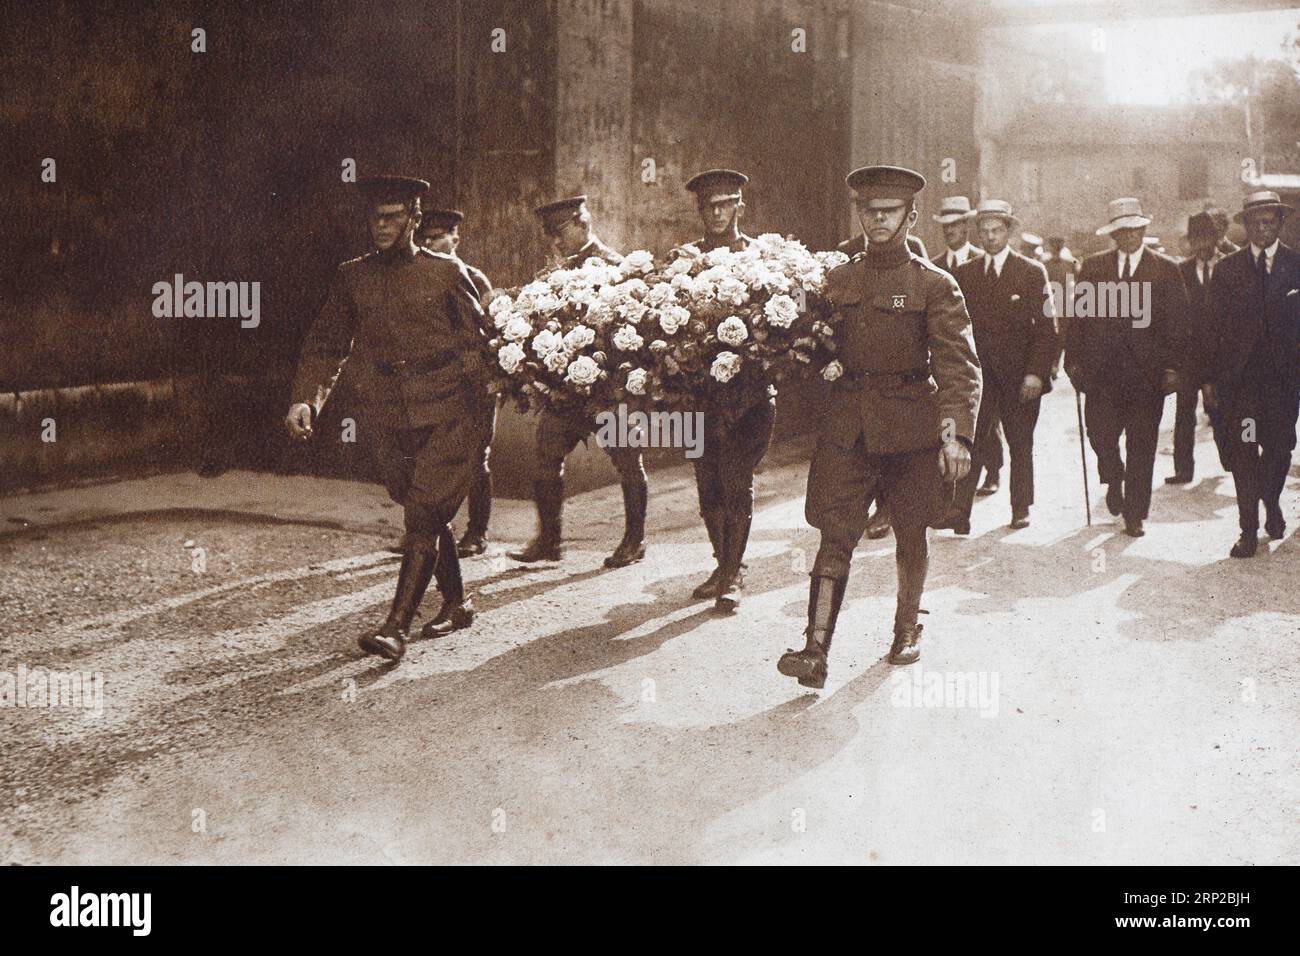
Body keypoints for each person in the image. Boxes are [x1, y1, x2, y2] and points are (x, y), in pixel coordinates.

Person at [777, 166, 980, 688]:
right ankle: (815, 648)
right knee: (834, 532)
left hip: (912, 428)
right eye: (870, 210)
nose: (879, 219)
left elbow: (957, 365)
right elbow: (808, 342)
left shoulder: (935, 284)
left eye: (889, 211)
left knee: (911, 532)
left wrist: (955, 436)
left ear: (910, 217)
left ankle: (907, 627)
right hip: (849, 428)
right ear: (860, 215)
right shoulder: (836, 281)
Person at [285, 175, 490, 661]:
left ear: (415, 220)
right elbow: (327, 344)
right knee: (418, 505)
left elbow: (482, 345)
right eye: (375, 216)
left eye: (393, 216)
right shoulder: (352, 276)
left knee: (423, 511)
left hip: (448, 410)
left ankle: (395, 627)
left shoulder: (446, 272)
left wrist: (480, 416)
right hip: (387, 412)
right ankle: (457, 603)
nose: (381, 225)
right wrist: (306, 400)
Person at [507, 196, 648, 569]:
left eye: (560, 233)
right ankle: (549, 541)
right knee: (545, 455)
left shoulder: (615, 266)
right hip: (568, 392)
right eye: (550, 236)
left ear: (583, 224)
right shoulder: (554, 272)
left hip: (608, 392)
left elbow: (635, 330)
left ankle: (635, 540)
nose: (555, 243)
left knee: (627, 461)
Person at [673, 169, 774, 611]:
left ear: (740, 208)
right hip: (698, 396)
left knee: (736, 482)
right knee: (707, 486)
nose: (716, 214)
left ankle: (733, 575)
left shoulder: (762, 258)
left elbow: (788, 319)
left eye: (724, 205)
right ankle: (722, 563)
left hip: (747, 396)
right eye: (708, 207)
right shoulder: (685, 261)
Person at [1063, 197, 1187, 538]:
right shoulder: (1093, 267)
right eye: (1122, 231)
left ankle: (1134, 514)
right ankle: (1113, 475)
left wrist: (1174, 367)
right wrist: (1071, 360)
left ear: (1144, 230)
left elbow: (1178, 324)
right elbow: (1078, 318)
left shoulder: (1166, 269)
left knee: (1142, 445)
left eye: (1135, 230)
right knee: (1100, 435)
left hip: (1147, 377)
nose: (1129, 237)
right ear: (1113, 235)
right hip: (1102, 375)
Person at [942, 200, 1058, 533]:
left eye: (997, 230)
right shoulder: (965, 274)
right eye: (984, 231)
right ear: (977, 233)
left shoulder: (1031, 272)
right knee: (971, 442)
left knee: (1020, 443)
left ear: (1008, 231)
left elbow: (1047, 330)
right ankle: (959, 512)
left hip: (1021, 379)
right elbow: (956, 328)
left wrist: (1036, 372)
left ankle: (1021, 507)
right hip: (979, 379)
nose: (990, 237)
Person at [1205, 190, 1299, 557]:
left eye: (1270, 220)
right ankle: (1247, 529)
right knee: (1244, 451)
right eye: (1256, 221)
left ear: (1279, 223)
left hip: (1282, 386)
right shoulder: (1227, 271)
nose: (1263, 227)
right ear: (1245, 226)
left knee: (1279, 451)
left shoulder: (1296, 266)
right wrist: (1209, 381)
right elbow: (1211, 329)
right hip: (1242, 388)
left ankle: (1271, 503)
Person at [417, 208, 497, 556]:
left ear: (456, 239)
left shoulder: (474, 279)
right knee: (429, 458)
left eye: (440, 237)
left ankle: (477, 532)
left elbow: (488, 334)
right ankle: (430, 530)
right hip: (437, 383)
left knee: (477, 458)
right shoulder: (418, 278)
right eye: (427, 238)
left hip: (473, 382)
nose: (433, 244)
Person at [1168, 212, 1225, 485]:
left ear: (1217, 238)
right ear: (1190, 241)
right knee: (1184, 414)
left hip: (1220, 357)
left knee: (1220, 411)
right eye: (1196, 239)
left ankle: (1230, 458)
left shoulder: (1231, 267)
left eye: (1207, 237)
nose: (1202, 244)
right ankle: (1183, 469)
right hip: (1189, 358)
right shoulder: (1180, 271)